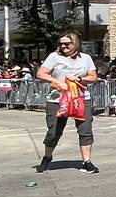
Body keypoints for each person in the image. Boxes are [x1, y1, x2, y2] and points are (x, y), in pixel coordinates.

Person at [34, 33, 99, 174]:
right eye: (61, 43)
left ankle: (87, 162)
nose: (63, 46)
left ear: (75, 43)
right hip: (57, 99)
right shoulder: (54, 57)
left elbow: (94, 77)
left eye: (67, 43)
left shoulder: (85, 58)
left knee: (85, 130)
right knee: (53, 132)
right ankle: (47, 157)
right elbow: (41, 74)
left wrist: (80, 78)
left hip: (81, 98)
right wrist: (57, 82)